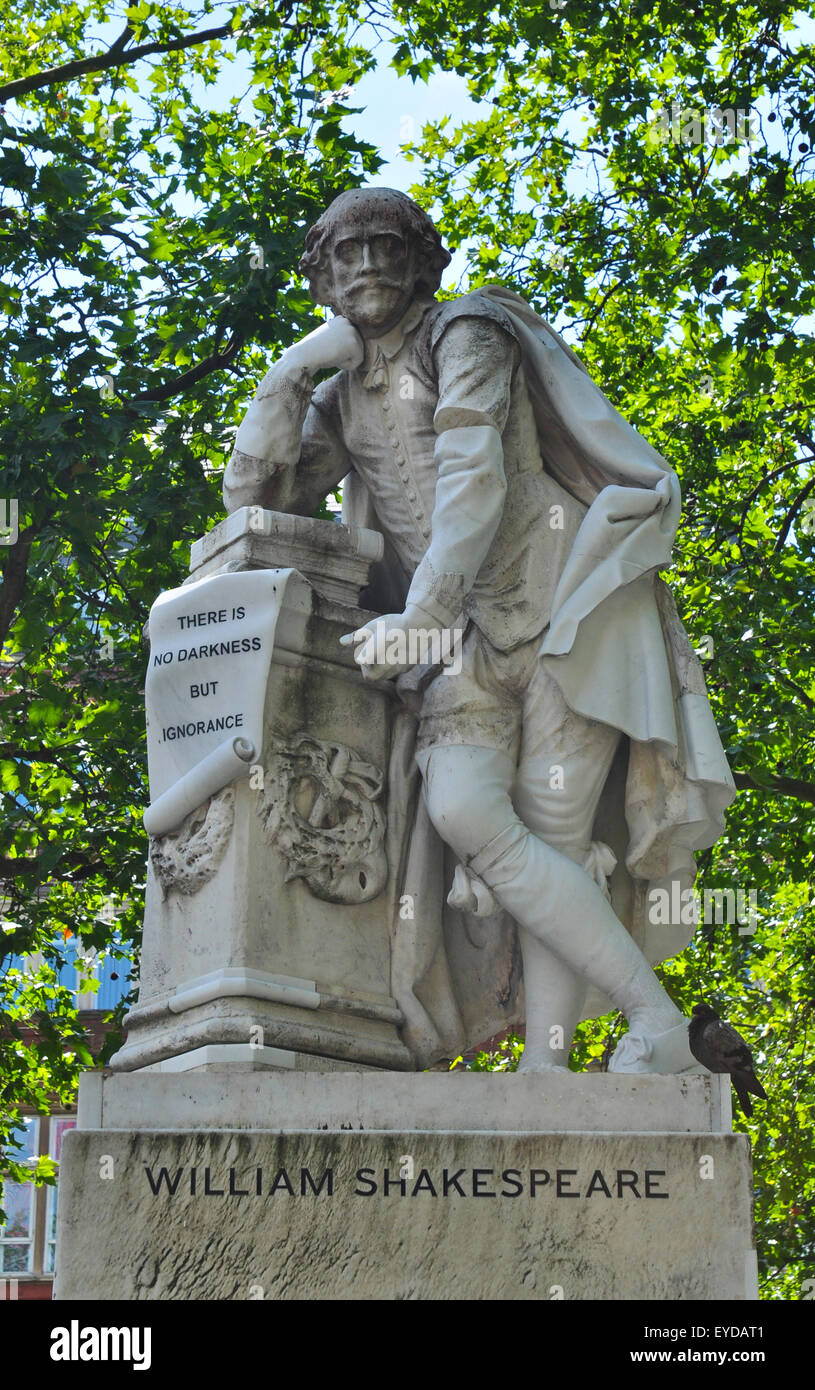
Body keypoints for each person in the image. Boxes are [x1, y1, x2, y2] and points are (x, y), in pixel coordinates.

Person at [223, 187, 735, 1073]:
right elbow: (258, 501)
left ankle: (548, 1068)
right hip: (456, 637)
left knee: (556, 830)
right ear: (323, 280)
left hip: (561, 606)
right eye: (346, 255)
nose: (370, 266)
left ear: (423, 261)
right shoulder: (342, 393)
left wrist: (419, 615)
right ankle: (654, 1022)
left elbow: (475, 471)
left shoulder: (467, 332)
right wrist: (287, 375)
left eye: (388, 247)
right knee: (465, 809)